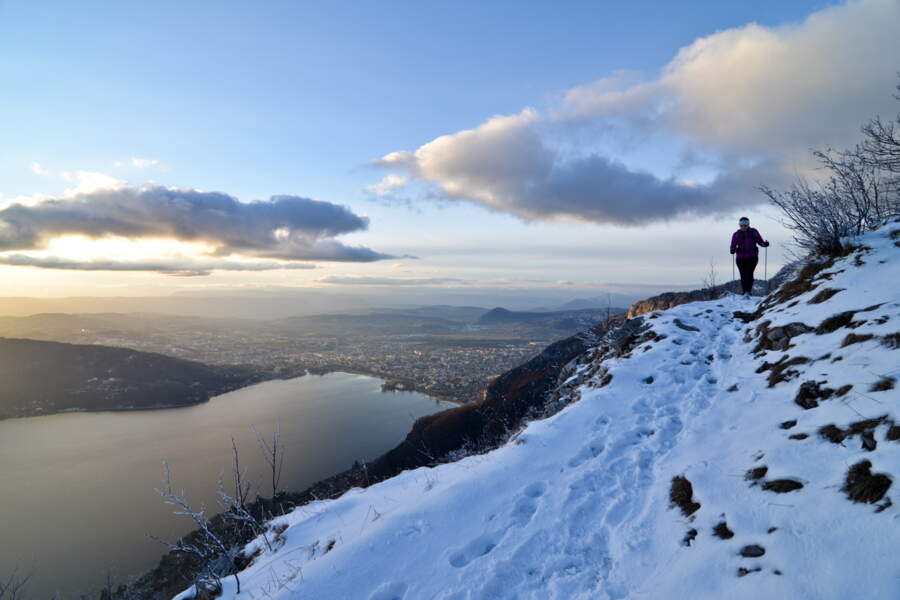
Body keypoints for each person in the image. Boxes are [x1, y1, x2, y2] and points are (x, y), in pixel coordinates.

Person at [730, 217, 769, 297]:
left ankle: (748, 291)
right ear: (739, 225)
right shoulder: (736, 234)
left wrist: (764, 244)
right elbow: (733, 245)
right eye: (741, 224)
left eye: (745, 224)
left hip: (752, 257)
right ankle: (744, 292)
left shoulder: (754, 232)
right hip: (740, 258)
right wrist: (732, 250)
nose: (743, 226)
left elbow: (760, 241)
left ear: (748, 224)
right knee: (743, 275)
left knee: (749, 273)